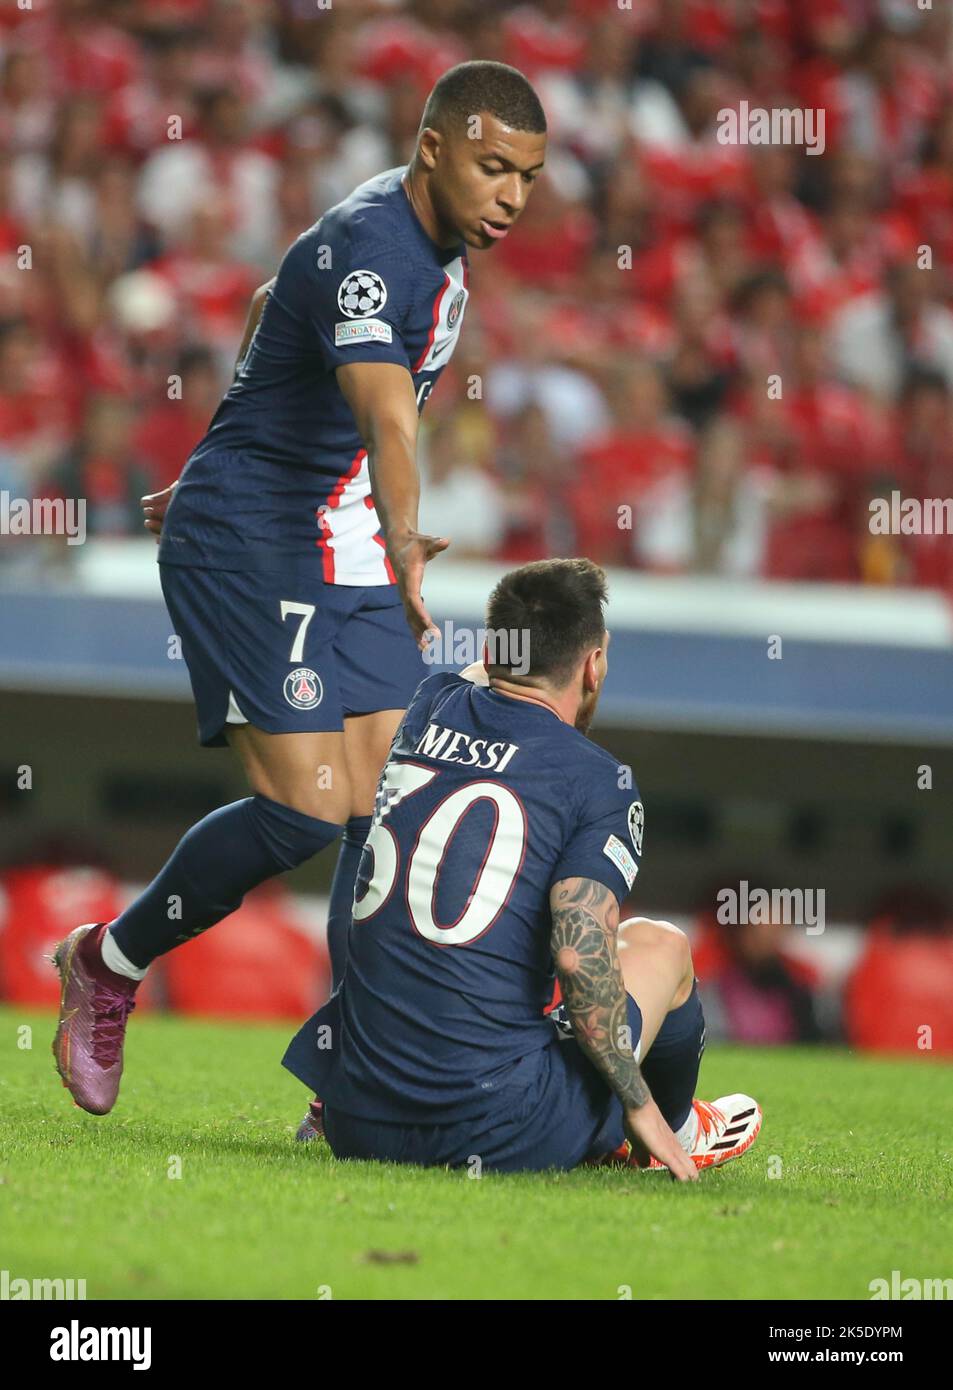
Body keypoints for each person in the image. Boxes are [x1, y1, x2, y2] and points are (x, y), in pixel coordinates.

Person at [51, 61, 548, 1119]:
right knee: (309, 808)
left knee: (394, 797)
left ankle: (351, 1068)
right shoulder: (375, 251)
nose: (509, 195)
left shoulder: (432, 248)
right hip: (255, 541)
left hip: (335, 527)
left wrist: (239, 433)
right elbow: (388, 420)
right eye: (491, 167)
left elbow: (279, 307)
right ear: (431, 149)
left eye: (526, 178)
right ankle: (108, 960)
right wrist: (405, 540)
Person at [283, 559, 763, 1176]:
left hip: (357, 1119)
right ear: (593, 664)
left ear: (491, 648)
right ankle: (674, 1127)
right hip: (497, 1127)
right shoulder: (599, 781)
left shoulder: (430, 702)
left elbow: (490, 668)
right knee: (661, 945)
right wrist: (633, 1101)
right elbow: (576, 952)